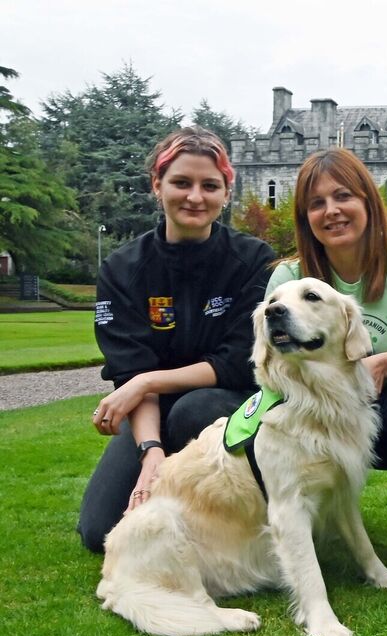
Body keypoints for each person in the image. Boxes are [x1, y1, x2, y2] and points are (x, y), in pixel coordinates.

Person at [78, 126, 275, 553]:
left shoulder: (253, 259)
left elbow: (233, 362)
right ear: (157, 184)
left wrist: (147, 382)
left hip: (232, 405)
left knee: (194, 409)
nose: (195, 197)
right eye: (181, 182)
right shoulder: (123, 267)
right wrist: (150, 449)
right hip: (154, 411)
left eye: (210, 185)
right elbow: (131, 369)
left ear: (226, 192)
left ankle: (234, 518)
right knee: (99, 532)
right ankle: (168, 490)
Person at [265, 148, 387, 573]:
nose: (331, 211)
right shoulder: (287, 279)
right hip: (316, 412)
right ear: (304, 216)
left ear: (368, 199)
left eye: (343, 196)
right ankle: (293, 512)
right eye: (316, 203)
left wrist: (380, 366)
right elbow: (273, 365)